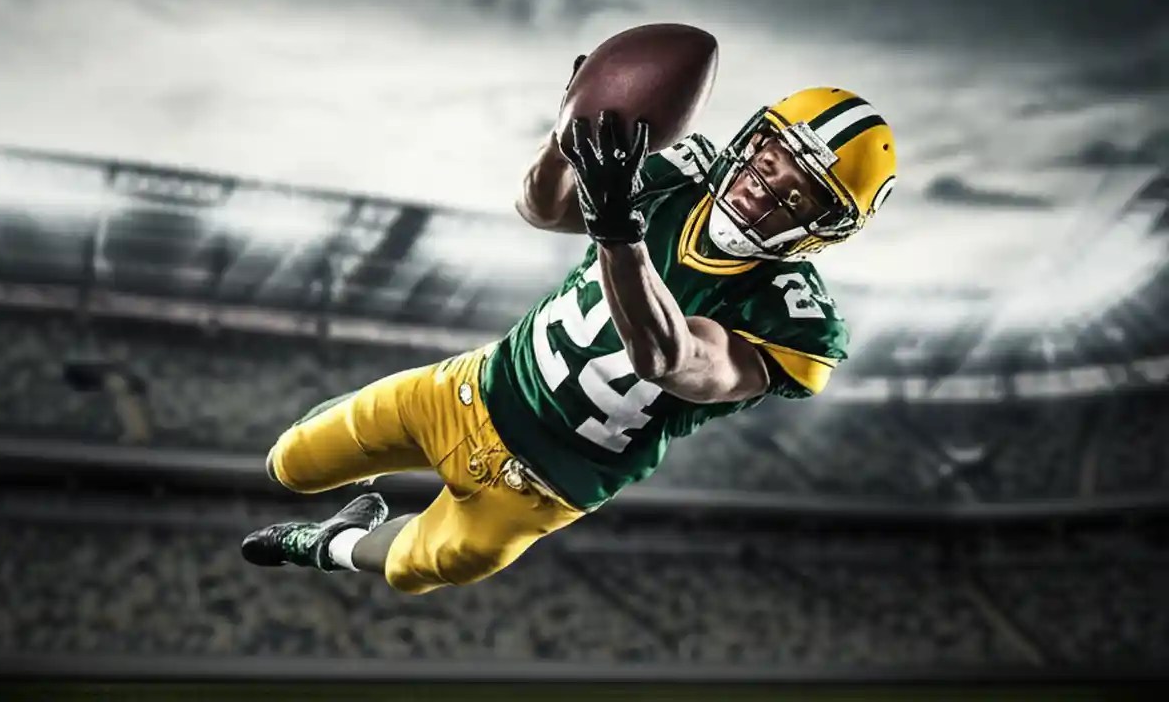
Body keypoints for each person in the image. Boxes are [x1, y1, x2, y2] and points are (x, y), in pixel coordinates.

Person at [241, 69, 898, 595]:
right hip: (469, 390)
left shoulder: (792, 317)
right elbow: (542, 207)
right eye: (776, 156)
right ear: (754, 136)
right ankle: (351, 501)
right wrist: (566, 134)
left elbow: (670, 357)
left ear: (826, 226)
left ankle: (325, 544)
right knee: (291, 464)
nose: (769, 187)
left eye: (805, 191)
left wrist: (618, 230)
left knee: (415, 568)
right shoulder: (683, 173)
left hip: (539, 490)